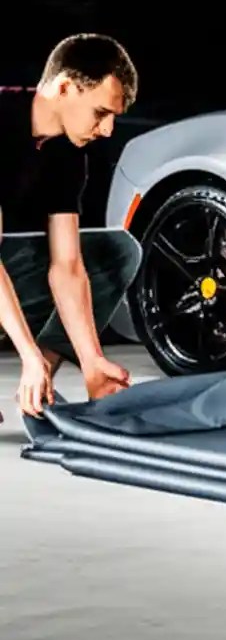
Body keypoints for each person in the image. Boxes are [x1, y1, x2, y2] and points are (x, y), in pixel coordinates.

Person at [0, 33, 142, 420]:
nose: (108, 130)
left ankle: (38, 381)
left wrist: (93, 361)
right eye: (100, 113)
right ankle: (33, 364)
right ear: (64, 87)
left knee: (116, 251)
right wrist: (26, 354)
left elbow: (68, 267)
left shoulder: (67, 155)